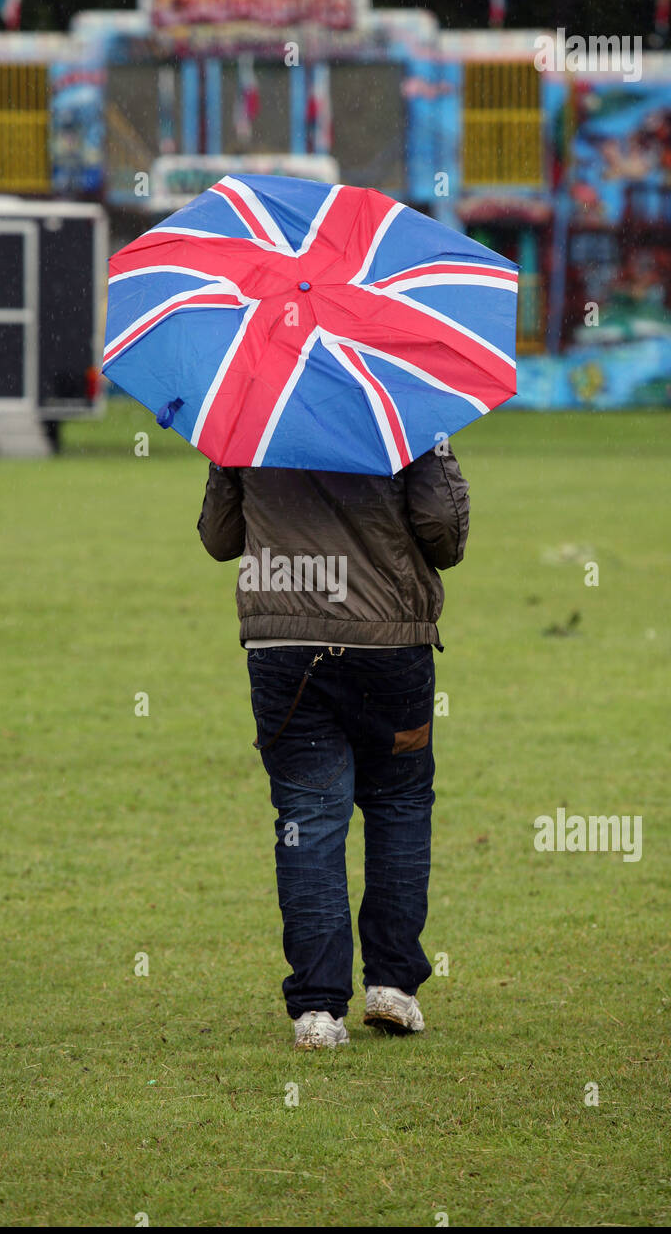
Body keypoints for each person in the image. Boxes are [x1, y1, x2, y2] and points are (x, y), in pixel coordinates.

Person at [198, 446, 470, 1050]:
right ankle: (393, 988)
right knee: (398, 805)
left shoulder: (250, 412)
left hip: (284, 649)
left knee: (308, 820)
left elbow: (219, 538)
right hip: (389, 648)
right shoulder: (400, 402)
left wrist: (226, 456)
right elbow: (444, 537)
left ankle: (318, 1013)